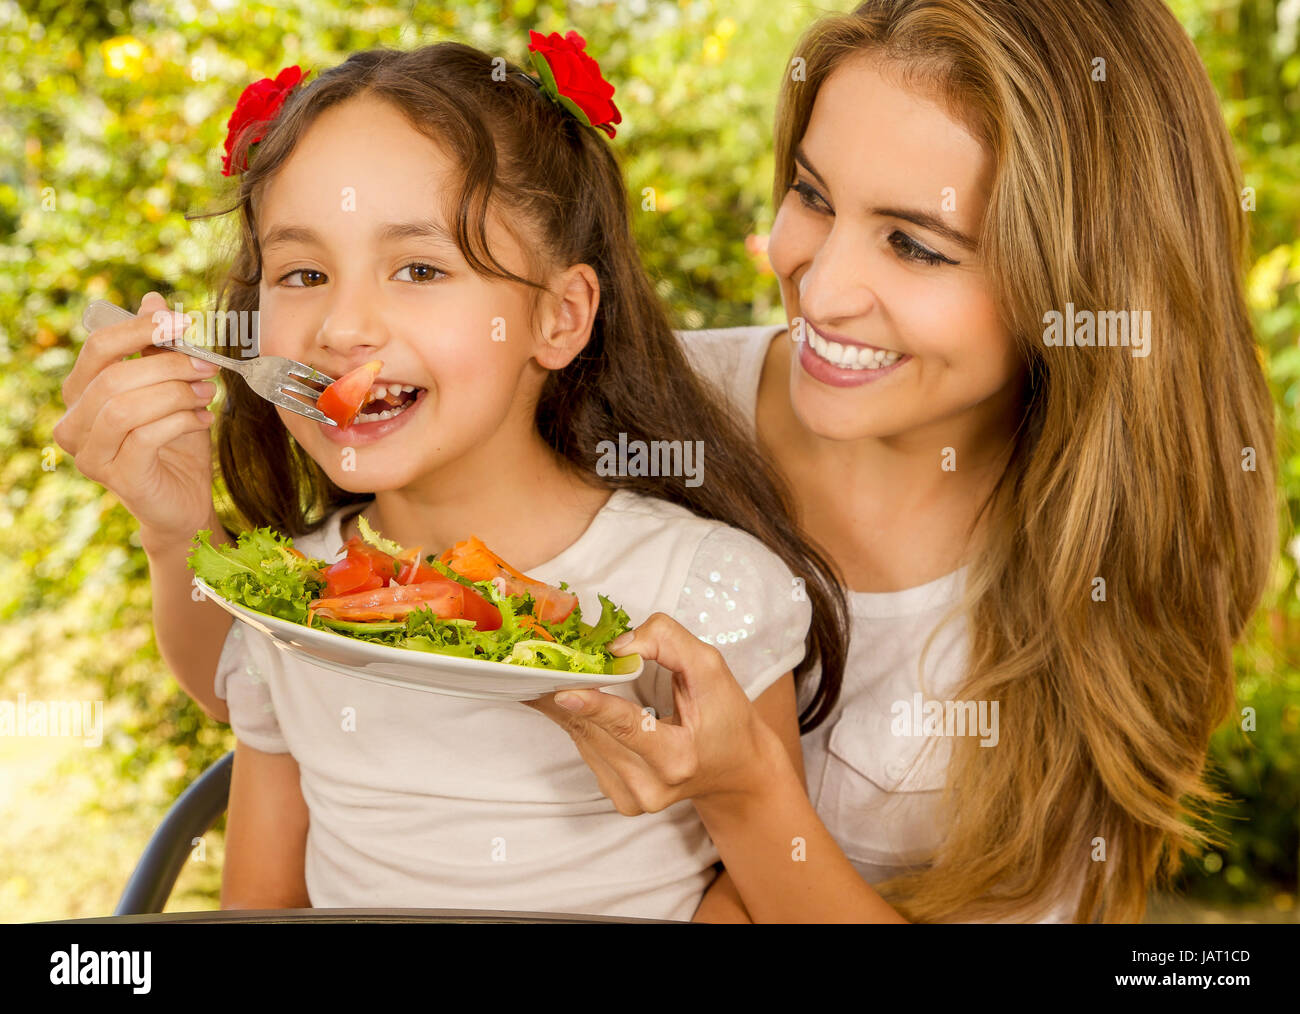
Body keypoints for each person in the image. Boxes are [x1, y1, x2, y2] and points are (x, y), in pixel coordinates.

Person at [51, 36, 850, 920]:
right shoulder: (289, 606)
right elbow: (263, 902)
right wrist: (174, 523)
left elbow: (766, 892)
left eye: (421, 268)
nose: (343, 326)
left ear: (559, 316)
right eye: (303, 273)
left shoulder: (701, 592)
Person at [525, 0, 1278, 923]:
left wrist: (747, 793)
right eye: (811, 195)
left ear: (1083, 285)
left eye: (916, 245)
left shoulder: (1111, 566)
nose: (822, 285)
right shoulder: (618, 415)